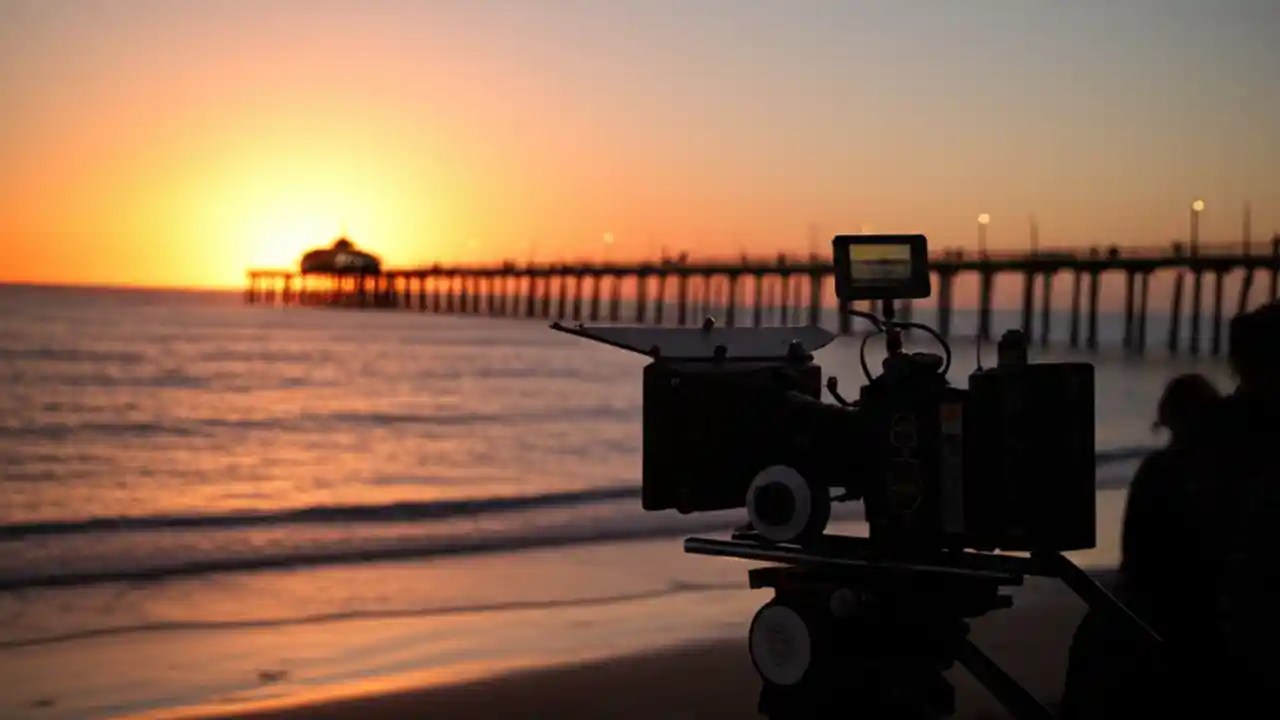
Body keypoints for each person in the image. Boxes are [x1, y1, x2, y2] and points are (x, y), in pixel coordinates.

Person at [1117, 373, 1222, 643]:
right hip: (1206, 605)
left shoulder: (1157, 470)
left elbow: (1134, 549)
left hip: (1159, 602)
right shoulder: (1225, 472)